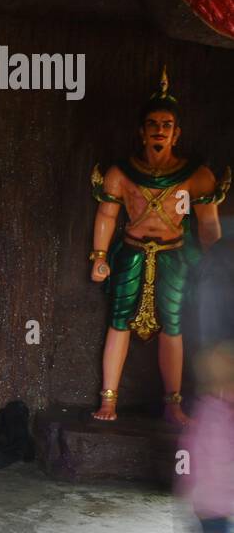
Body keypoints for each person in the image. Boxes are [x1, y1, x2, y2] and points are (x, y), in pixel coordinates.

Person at [89, 73, 226, 423]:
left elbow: (208, 225)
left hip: (175, 255)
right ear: (141, 131)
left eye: (167, 125)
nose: (159, 131)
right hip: (131, 252)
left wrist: (216, 263)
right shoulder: (121, 173)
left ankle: (173, 404)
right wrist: (101, 256)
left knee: (173, 325)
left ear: (177, 133)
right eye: (152, 124)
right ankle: (108, 400)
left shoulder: (196, 175)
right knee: (118, 322)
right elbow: (107, 213)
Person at [177, 340, 234, 533]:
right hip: (219, 502)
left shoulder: (207, 411)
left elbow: (189, 455)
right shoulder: (222, 419)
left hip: (206, 500)